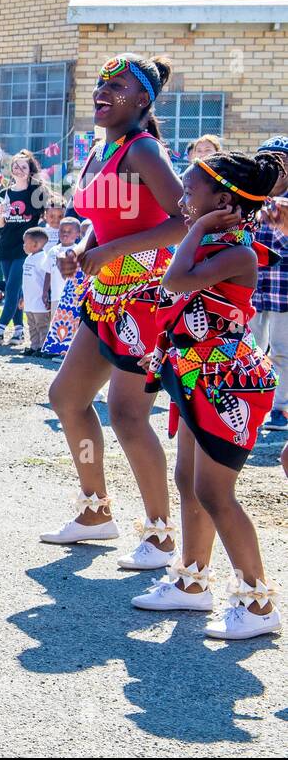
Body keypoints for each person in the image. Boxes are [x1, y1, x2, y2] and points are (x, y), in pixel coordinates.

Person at [43, 54, 186, 566]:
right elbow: (104, 222)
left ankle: (161, 534)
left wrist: (112, 251)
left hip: (148, 297)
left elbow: (186, 220)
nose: (104, 92)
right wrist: (80, 245)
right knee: (67, 397)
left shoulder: (144, 150)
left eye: (118, 86)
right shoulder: (102, 150)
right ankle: (95, 510)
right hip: (105, 293)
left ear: (143, 100)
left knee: (128, 415)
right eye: (102, 85)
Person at [133, 151, 281, 639]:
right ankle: (193, 582)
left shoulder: (235, 252)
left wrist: (193, 230)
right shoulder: (216, 241)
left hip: (227, 385)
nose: (181, 199)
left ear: (222, 201)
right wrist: (197, 229)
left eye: (190, 192)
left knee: (216, 493)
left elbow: (174, 284)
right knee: (188, 481)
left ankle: (258, 604)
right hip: (197, 376)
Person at [0, 150, 49, 344]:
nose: (18, 170)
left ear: (30, 170)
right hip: (6, 245)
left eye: (23, 167)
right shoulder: (5, 193)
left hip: (27, 247)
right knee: (16, 291)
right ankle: (19, 331)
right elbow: (0, 224)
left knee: (12, 288)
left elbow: (45, 217)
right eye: (15, 166)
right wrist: (2, 214)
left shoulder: (36, 192)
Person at [249, 136, 288, 431]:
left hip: (283, 290)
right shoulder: (248, 199)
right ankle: (251, 400)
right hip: (249, 289)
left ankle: (281, 407)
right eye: (269, 160)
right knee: (250, 348)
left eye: (283, 162)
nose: (276, 167)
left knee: (281, 350)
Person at [42, 218, 86, 358]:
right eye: (62, 231)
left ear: (78, 234)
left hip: (73, 299)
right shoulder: (53, 250)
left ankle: (68, 353)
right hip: (56, 295)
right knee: (55, 322)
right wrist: (45, 291)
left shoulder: (80, 252)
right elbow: (48, 272)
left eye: (69, 231)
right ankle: (55, 348)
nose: (65, 234)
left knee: (73, 325)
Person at [19, 227, 53, 356]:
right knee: (32, 325)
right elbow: (26, 281)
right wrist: (23, 297)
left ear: (35, 244)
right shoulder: (29, 258)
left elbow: (47, 278)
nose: (23, 245)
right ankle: (34, 346)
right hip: (29, 300)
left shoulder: (43, 258)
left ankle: (43, 347)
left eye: (25, 242)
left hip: (40, 302)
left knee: (42, 326)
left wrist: (47, 295)